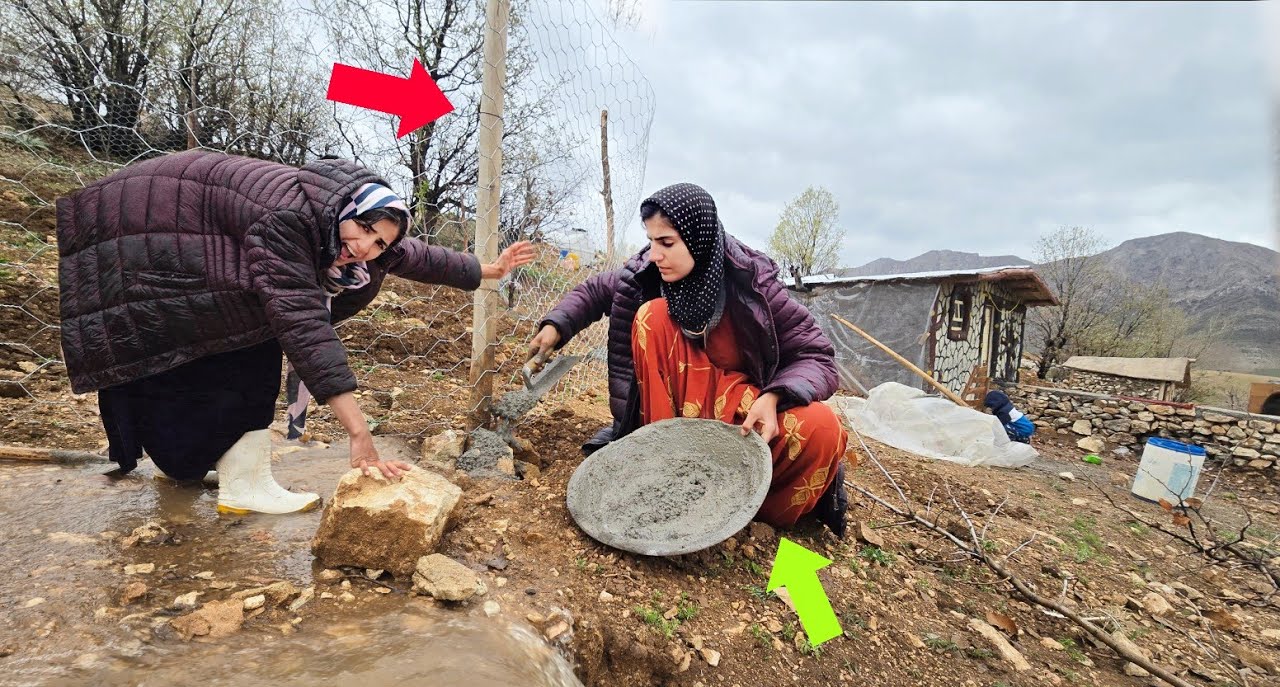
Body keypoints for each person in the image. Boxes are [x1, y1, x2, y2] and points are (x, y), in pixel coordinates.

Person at [56, 149, 534, 514]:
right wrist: (359, 432)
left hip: (171, 240)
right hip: (145, 239)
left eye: (379, 241)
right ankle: (245, 486)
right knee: (252, 347)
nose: (364, 248)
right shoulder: (290, 220)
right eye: (365, 229)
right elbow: (304, 327)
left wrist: (487, 270)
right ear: (348, 208)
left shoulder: (339, 218)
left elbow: (416, 255)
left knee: (206, 357)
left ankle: (192, 465)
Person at [528, 183, 852, 536]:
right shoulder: (644, 275)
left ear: (698, 239)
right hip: (670, 417)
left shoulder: (753, 283)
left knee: (823, 428)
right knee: (653, 316)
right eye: (651, 241)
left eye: (667, 243)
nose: (655, 254)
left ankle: (748, 511)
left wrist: (773, 397)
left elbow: (817, 356)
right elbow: (593, 292)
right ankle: (664, 475)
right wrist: (555, 325)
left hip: (742, 416)